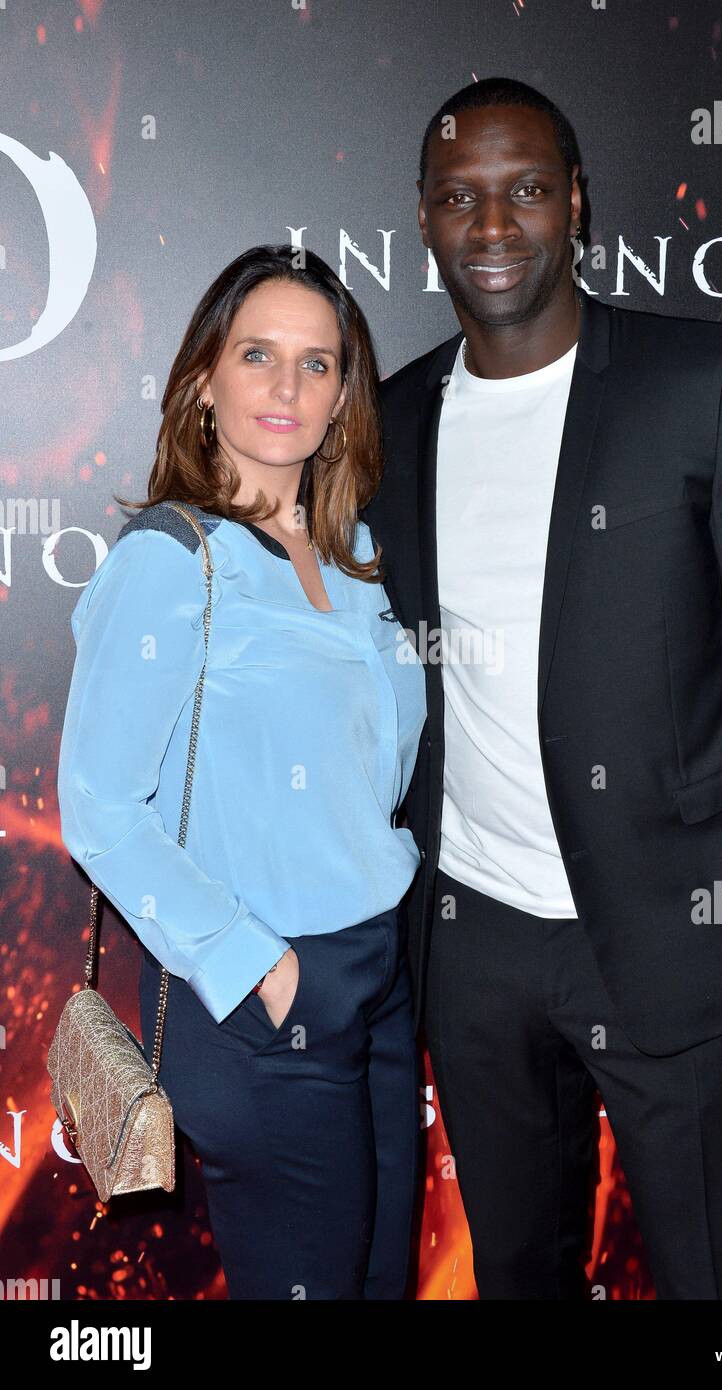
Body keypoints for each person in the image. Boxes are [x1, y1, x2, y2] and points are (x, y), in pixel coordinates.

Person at [361, 78, 722, 1300]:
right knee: (518, 1273)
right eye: (458, 197)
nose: (492, 223)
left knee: (716, 1280)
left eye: (526, 189)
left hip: (685, 948)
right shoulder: (392, 418)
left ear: (576, 202)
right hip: (472, 947)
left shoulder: (709, 379)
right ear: (421, 220)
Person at [57, 244, 427, 1300]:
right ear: (204, 380)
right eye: (258, 353)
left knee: (381, 1279)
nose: (287, 386)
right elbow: (96, 805)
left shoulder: (352, 552)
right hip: (267, 1001)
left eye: (318, 364)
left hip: (379, 976)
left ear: (344, 394)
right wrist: (254, 965)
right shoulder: (172, 560)